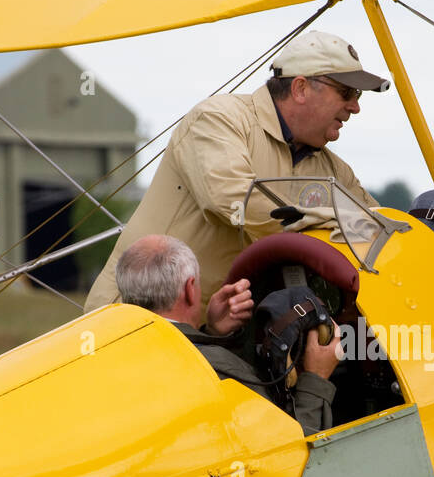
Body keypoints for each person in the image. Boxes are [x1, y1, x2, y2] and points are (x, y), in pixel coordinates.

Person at [86, 30, 390, 313]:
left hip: (217, 331)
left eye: (358, 96)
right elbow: (235, 202)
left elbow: (376, 229)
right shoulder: (218, 120)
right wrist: (330, 220)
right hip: (133, 316)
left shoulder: (333, 169)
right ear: (300, 88)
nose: (355, 107)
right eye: (347, 92)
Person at [115, 235, 339, 436]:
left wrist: (213, 333)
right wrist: (316, 378)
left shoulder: (118, 350)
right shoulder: (219, 369)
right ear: (190, 289)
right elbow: (289, 448)